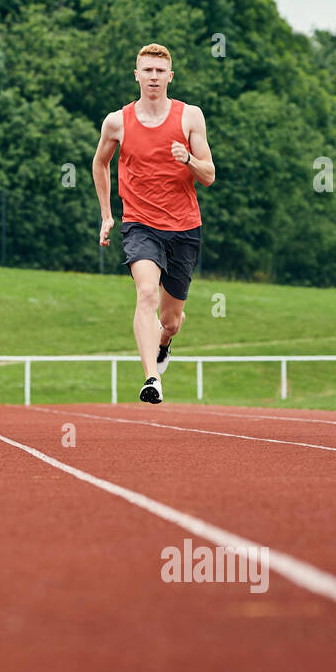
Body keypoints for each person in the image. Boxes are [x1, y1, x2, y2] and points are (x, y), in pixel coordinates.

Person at [92, 44, 216, 404]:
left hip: (184, 228)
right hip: (140, 225)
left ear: (170, 77)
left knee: (171, 319)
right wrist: (106, 214)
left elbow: (209, 175)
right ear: (136, 75)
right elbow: (99, 163)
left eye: (160, 72)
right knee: (145, 292)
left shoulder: (190, 117)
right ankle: (151, 379)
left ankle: (164, 345)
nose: (153, 77)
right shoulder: (117, 122)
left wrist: (188, 158)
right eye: (147, 70)